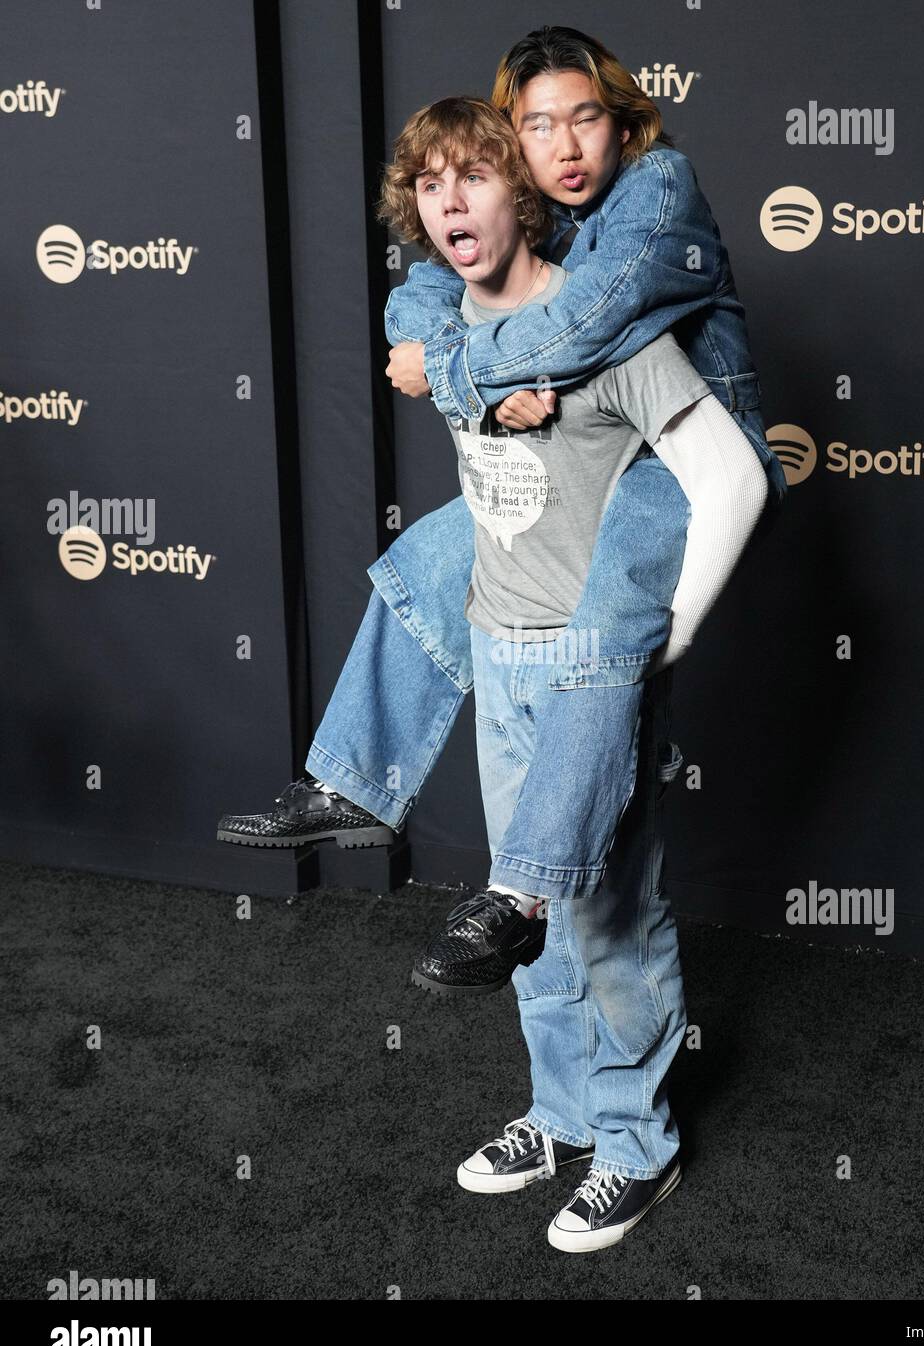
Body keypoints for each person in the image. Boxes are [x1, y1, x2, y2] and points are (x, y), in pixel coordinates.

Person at [218, 24, 785, 995]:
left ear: (622, 123)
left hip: (678, 459)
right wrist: (459, 357)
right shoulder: (538, 226)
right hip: (541, 559)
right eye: (535, 127)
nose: (563, 146)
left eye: (584, 119)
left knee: (607, 638)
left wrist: (463, 371)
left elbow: (589, 320)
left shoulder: (652, 194)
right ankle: (352, 782)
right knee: (430, 563)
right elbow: (427, 283)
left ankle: (519, 898)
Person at [379, 93, 768, 1249]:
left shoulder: (613, 332)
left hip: (589, 667)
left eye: (475, 175)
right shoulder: (449, 330)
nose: (452, 198)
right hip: (500, 655)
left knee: (608, 915)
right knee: (522, 910)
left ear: (524, 198)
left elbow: (731, 480)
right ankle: (560, 1115)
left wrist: (663, 635)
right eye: (432, 182)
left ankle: (637, 1146)